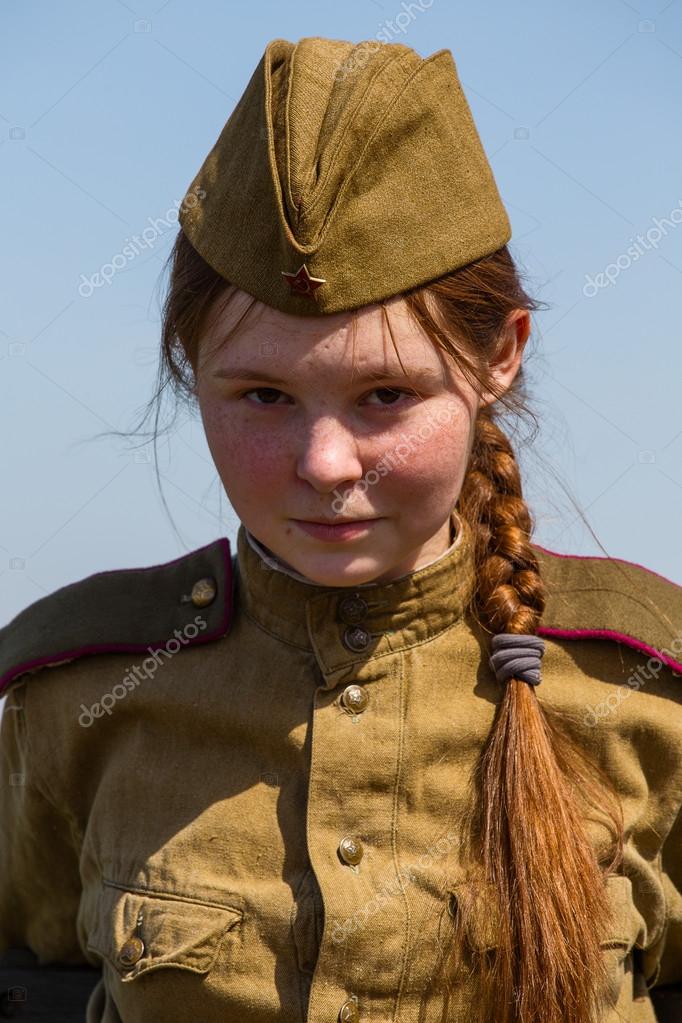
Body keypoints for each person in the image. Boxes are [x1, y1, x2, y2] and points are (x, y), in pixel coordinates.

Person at [1, 33, 681, 1023]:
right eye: (265, 394)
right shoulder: (81, 696)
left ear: (501, 356)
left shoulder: (648, 686)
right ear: (190, 367)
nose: (325, 464)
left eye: (385, 394)